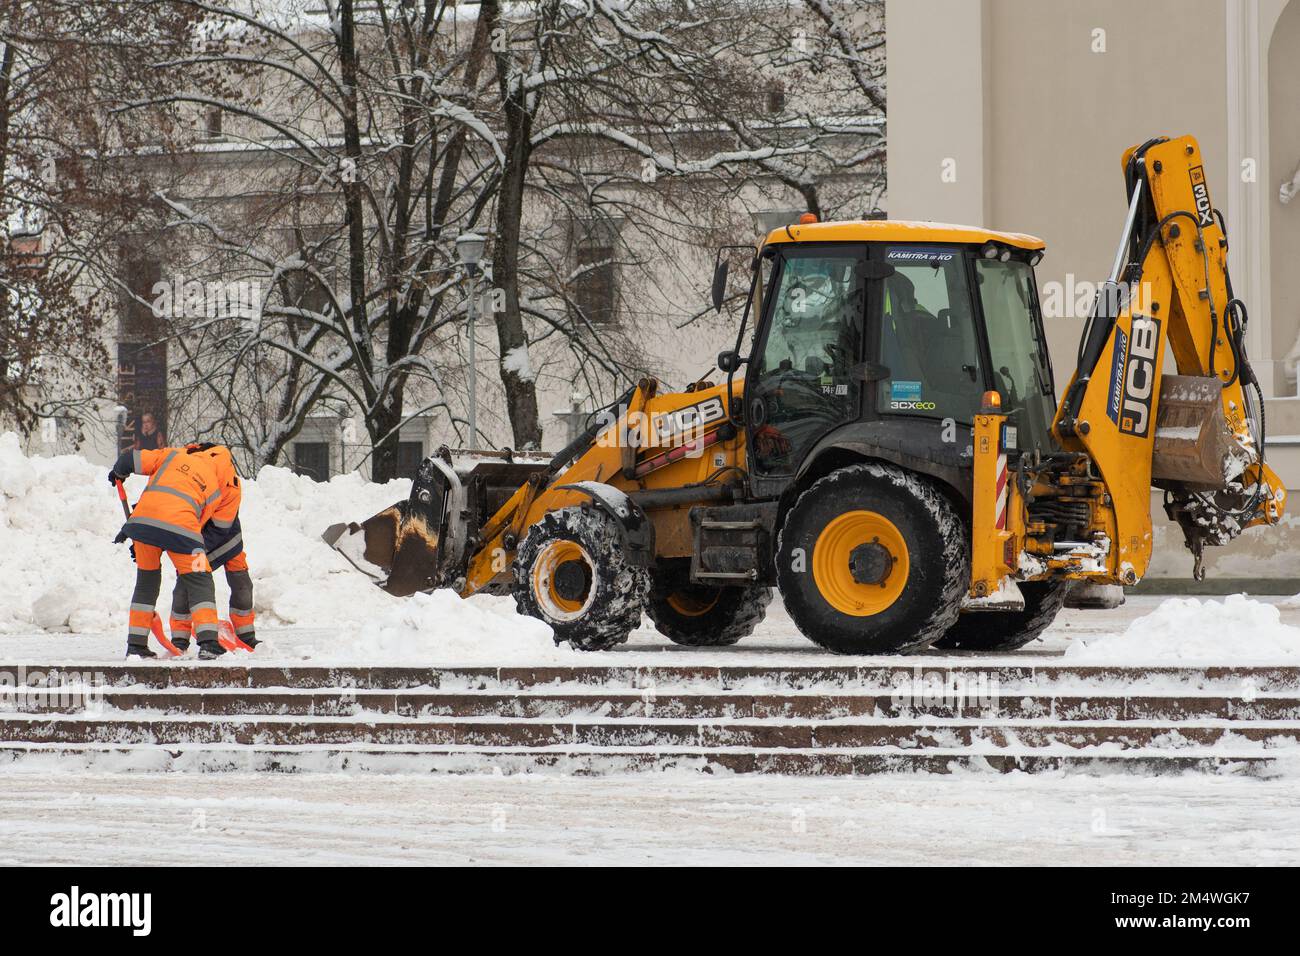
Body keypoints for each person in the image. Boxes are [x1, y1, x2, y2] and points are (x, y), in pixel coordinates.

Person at [108, 442, 241, 659]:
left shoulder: (171, 455)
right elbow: (220, 528)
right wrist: (193, 553)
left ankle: (136, 645)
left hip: (142, 524)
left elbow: (128, 460)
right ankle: (208, 643)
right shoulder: (223, 483)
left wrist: (118, 473)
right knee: (200, 579)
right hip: (183, 530)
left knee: (146, 581)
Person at [168, 517, 258, 652]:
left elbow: (223, 518)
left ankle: (247, 636)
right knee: (185, 585)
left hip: (228, 537)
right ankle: (179, 640)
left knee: (242, 583)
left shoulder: (230, 495)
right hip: (195, 536)